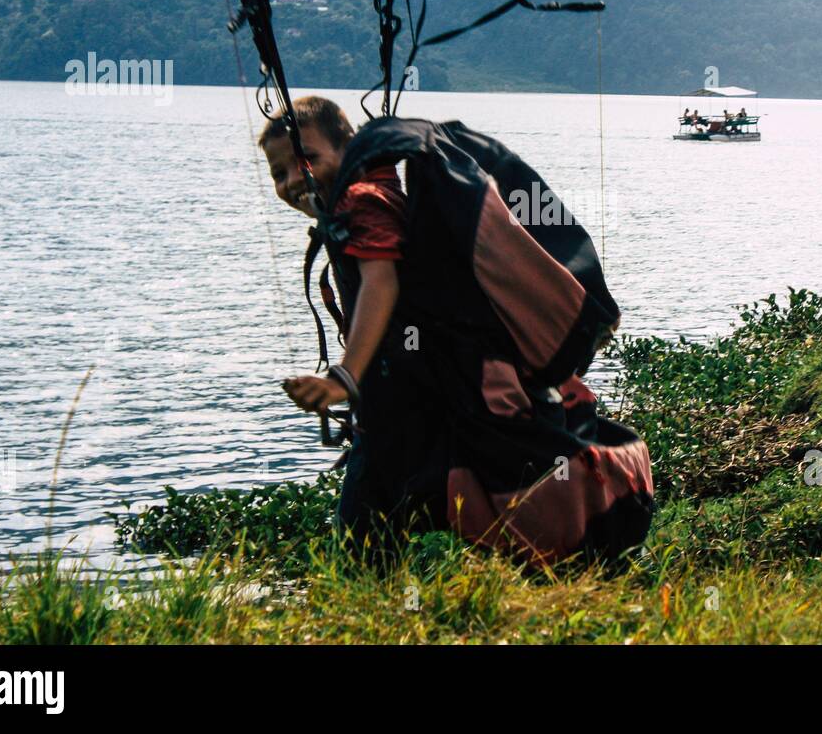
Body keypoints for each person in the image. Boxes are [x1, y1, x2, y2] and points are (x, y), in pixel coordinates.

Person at [260, 96, 654, 566]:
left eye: (308, 160)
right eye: (278, 174)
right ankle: (592, 569)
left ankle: (587, 569)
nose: (293, 181)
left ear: (348, 148)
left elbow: (379, 283)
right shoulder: (379, 191)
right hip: (424, 403)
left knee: (365, 535)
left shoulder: (362, 200)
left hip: (404, 415)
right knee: (444, 507)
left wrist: (342, 378)